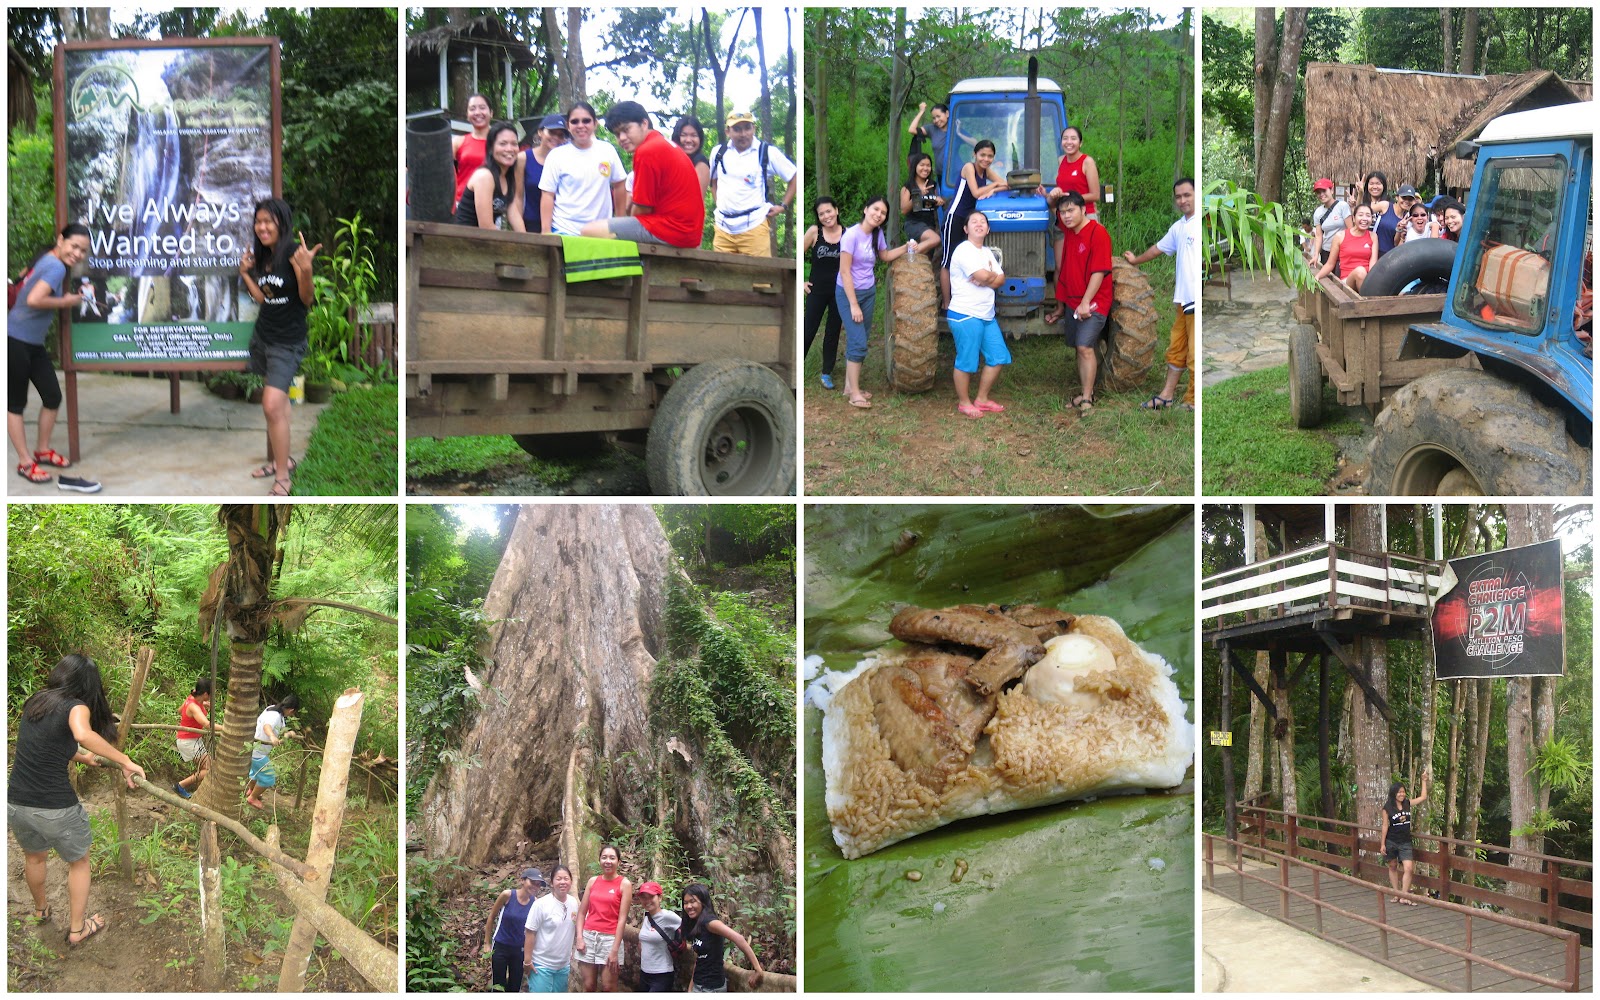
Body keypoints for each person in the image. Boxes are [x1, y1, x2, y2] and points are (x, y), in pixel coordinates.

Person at [9, 654, 147, 948]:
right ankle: (77, 929)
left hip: (17, 802)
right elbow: (83, 733)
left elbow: (49, 743)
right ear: (89, 685)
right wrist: (125, 760)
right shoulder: (76, 706)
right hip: (55, 806)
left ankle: (41, 910)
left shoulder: (38, 700)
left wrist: (83, 758)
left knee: (34, 857)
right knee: (79, 861)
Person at [8, 223, 99, 491]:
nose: (78, 253)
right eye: (74, 246)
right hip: (14, 340)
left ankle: (42, 450)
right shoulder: (56, 266)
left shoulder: (45, 257)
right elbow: (35, 299)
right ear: (61, 240)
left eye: (83, 250)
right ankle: (25, 462)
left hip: (31, 343)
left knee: (52, 396)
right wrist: (70, 301)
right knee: (15, 404)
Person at [239, 199, 320, 497]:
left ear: (281, 223)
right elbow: (264, 299)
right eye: (258, 222)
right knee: (279, 404)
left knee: (271, 405)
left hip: (288, 342)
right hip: (264, 337)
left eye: (268, 222)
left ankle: (283, 477)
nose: (261, 227)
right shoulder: (264, 256)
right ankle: (279, 460)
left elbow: (306, 299)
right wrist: (247, 274)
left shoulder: (292, 254)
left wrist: (306, 269)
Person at [581, 102, 704, 249]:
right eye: (617, 134)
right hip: (687, 231)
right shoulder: (662, 143)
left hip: (674, 229)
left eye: (626, 130)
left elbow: (642, 210)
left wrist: (631, 209)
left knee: (588, 230)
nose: (622, 138)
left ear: (644, 124)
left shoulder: (647, 151)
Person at [1124, 178, 1200, 412]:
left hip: (1196, 300)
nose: (1182, 200)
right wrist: (1135, 260)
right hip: (1182, 300)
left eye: (1187, 195)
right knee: (1177, 348)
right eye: (1178, 197)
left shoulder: (1203, 223)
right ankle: (1166, 395)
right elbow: (1158, 248)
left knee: (1194, 353)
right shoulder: (1179, 227)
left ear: (1197, 194)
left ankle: (1193, 401)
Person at [837, 196, 916, 409]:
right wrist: (853, 304)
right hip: (848, 293)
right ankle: (854, 393)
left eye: (883, 213)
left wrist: (907, 247)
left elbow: (886, 255)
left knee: (860, 338)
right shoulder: (850, 235)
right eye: (875, 209)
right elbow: (845, 272)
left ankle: (848, 386)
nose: (878, 214)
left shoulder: (876, 234)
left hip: (869, 292)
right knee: (858, 342)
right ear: (865, 210)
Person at [1044, 192, 1113, 411]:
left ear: (1084, 210)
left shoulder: (1097, 233)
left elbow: (1099, 272)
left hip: (1092, 301)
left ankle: (1086, 398)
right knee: (1079, 347)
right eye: (1062, 212)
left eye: (1071, 210)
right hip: (1073, 300)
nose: (1065, 216)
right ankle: (1087, 391)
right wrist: (1049, 196)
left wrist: (1085, 302)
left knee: (1084, 346)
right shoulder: (1070, 230)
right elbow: (1052, 209)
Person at [946, 211, 1010, 418]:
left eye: (983, 222)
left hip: (986, 315)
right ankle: (964, 403)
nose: (979, 224)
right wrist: (988, 276)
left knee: (998, 356)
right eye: (973, 221)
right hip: (965, 314)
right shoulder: (964, 250)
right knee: (966, 361)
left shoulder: (987, 252)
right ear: (966, 229)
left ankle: (981, 399)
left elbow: (1001, 279)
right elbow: (985, 275)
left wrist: (986, 278)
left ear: (988, 229)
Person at [707, 111, 798, 256]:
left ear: (754, 129)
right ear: (728, 131)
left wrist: (783, 206)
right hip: (723, 230)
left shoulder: (767, 152)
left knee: (760, 276)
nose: (743, 134)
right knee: (722, 277)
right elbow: (713, 181)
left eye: (747, 128)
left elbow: (794, 176)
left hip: (754, 229)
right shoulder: (718, 152)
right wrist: (720, 204)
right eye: (737, 129)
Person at [539, 101, 627, 236]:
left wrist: (619, 224)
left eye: (586, 121)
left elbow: (620, 185)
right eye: (575, 122)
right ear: (568, 126)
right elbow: (547, 195)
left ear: (595, 124)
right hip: (564, 230)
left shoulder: (607, 150)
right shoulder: (556, 155)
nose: (581, 126)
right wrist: (546, 232)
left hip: (601, 232)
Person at [939, 139, 1008, 309]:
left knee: (967, 259)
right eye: (982, 155)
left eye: (990, 156)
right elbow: (976, 192)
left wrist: (993, 189)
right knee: (948, 261)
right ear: (974, 154)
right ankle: (947, 303)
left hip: (969, 220)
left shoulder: (986, 171)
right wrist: (995, 185)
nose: (986, 159)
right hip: (955, 218)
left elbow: (1005, 184)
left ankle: (965, 299)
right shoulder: (969, 168)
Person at [681, 883, 764, 994]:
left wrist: (757, 969)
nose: (688, 906)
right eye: (685, 903)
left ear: (703, 902)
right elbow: (701, 959)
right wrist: (691, 987)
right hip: (698, 986)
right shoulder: (697, 923)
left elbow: (739, 938)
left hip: (711, 989)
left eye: (692, 901)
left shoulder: (710, 923)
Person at [575, 844, 633, 992]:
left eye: (612, 858)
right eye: (604, 857)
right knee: (588, 985)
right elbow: (582, 913)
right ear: (599, 860)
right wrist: (580, 937)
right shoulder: (593, 881)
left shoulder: (624, 884)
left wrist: (614, 950)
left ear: (618, 862)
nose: (608, 861)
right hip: (588, 936)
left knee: (608, 987)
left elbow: (622, 919)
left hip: (610, 939)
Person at [803, 197, 846, 391]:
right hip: (816, 290)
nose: (826, 216)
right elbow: (797, 255)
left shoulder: (847, 234)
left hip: (839, 291)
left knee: (832, 331)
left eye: (829, 211)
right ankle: (796, 366)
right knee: (808, 329)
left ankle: (826, 372)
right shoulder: (814, 232)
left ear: (836, 210)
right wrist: (801, 281)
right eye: (821, 213)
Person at [484, 867, 546, 993]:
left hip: (520, 949)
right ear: (522, 880)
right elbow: (491, 917)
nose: (535, 886)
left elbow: (536, 930)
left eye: (538, 884)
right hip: (500, 946)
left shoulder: (535, 903)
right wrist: (487, 943)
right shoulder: (508, 895)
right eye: (532, 882)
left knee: (515, 985)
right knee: (498, 985)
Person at [455, 122, 526, 232]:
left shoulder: (508, 177)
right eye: (503, 144)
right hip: (464, 240)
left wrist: (528, 243)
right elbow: (486, 227)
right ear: (491, 148)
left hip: (483, 240)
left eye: (514, 144)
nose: (509, 149)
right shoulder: (485, 176)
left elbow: (515, 216)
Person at [524, 865, 579, 992]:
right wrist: (527, 961)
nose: (563, 882)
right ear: (551, 883)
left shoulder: (573, 902)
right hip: (541, 965)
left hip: (563, 966)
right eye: (558, 879)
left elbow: (572, 928)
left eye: (566, 878)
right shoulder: (541, 904)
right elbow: (530, 932)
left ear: (571, 881)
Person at [245, 692, 300, 810]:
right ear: (291, 710)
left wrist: (288, 734)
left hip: (253, 748)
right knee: (268, 778)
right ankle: (252, 798)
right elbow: (267, 726)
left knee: (255, 772)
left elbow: (278, 732)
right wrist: (272, 737)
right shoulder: (275, 715)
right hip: (257, 752)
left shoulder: (273, 709)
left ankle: (251, 790)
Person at [520, 114, 569, 234]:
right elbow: (517, 197)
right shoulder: (523, 158)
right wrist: (520, 231)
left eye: (560, 135)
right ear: (540, 132)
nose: (556, 138)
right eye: (552, 133)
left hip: (561, 226)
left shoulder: (568, 162)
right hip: (530, 224)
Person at [1381, 778, 1428, 904]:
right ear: (1394, 793)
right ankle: (1396, 893)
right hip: (1391, 840)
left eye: (1403, 792)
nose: (1402, 794)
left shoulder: (1407, 803)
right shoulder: (1387, 808)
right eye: (1399, 792)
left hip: (1405, 841)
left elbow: (1423, 797)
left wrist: (1423, 781)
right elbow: (1385, 826)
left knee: (1408, 868)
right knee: (1392, 866)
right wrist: (1382, 844)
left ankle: (1403, 895)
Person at [634, 881, 684, 992]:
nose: (647, 901)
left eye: (651, 897)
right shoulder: (647, 916)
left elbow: (688, 926)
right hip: (644, 972)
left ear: (660, 898)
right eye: (643, 897)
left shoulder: (667, 916)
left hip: (662, 973)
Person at [1316, 203, 1377, 293]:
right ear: (1353, 218)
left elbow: (1373, 263)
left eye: (1368, 216)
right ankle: (1368, 303)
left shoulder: (1373, 236)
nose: (1364, 218)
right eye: (1360, 215)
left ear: (1371, 219)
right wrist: (1317, 276)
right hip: (1347, 281)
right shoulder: (1340, 236)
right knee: (1360, 271)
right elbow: (1330, 264)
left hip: (1367, 281)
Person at [1047, 125, 1100, 218]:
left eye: (1073, 138)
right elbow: (1062, 190)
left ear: (1080, 143)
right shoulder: (1060, 160)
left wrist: (1069, 200)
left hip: (1085, 216)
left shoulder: (1087, 162)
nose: (1069, 142)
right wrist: (1045, 193)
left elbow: (1095, 195)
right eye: (1065, 138)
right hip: (1065, 216)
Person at [172, 678, 212, 799]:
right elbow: (207, 724)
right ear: (205, 694)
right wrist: (227, 727)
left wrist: (202, 705)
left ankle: (199, 792)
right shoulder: (194, 706)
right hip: (188, 741)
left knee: (205, 767)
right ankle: (180, 785)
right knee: (209, 769)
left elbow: (180, 710)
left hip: (193, 740)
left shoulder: (193, 698)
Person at [900, 152, 945, 255]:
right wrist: (918, 195)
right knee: (935, 239)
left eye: (928, 165)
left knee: (925, 260)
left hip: (930, 225)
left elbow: (943, 200)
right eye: (922, 165)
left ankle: (912, 258)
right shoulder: (908, 187)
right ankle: (909, 253)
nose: (925, 168)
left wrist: (939, 200)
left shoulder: (933, 185)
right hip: (914, 224)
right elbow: (904, 210)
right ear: (915, 166)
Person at [453, 93, 494, 205]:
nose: (477, 112)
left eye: (482, 108)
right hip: (462, 203)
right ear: (467, 115)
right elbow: (440, 168)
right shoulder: (458, 141)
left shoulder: (501, 143)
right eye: (472, 109)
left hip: (491, 203)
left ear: (491, 113)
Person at [1308, 178, 1349, 269]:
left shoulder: (1342, 206)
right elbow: (1319, 235)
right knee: (1327, 280)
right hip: (1326, 251)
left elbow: (1351, 230)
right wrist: (1315, 255)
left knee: (1340, 281)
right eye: (1318, 192)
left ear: (1331, 190)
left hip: (1342, 252)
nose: (1321, 194)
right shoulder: (1318, 212)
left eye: (1324, 190)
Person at [672, 116, 712, 196]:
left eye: (694, 135)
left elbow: (696, 198)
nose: (688, 140)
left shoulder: (700, 163)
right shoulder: (672, 161)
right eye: (683, 135)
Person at [1360, 171, 1397, 257]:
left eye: (1378, 183)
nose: (1375, 187)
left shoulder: (1390, 204)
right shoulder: (1362, 202)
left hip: (1385, 251)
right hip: (1364, 248)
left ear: (1384, 186)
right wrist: (1360, 195)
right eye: (1371, 183)